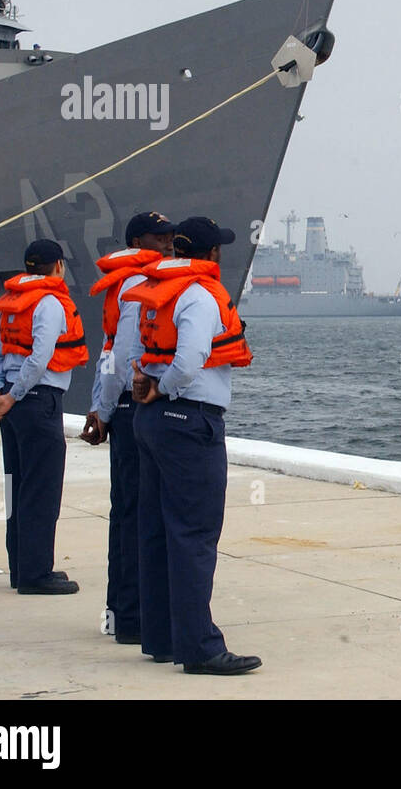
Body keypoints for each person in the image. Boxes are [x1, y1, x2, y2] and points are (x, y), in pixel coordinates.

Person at [123, 217, 260, 675]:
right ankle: (200, 647)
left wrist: (143, 387)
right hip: (189, 421)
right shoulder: (200, 295)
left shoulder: (153, 291)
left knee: (157, 530)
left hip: (149, 423)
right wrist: (164, 389)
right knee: (194, 534)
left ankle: (161, 638)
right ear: (213, 254)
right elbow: (191, 359)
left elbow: (129, 351)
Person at [82, 212, 175, 648]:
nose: (168, 245)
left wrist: (100, 407)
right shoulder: (138, 286)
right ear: (137, 240)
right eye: (159, 238)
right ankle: (132, 616)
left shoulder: (129, 282)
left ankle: (122, 612)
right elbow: (122, 357)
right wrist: (103, 410)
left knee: (126, 514)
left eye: (171, 238)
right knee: (137, 515)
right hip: (130, 407)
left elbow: (107, 354)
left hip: (119, 405)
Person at [0, 240, 88, 594]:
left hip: (13, 400)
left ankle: (21, 569)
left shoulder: (12, 304)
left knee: (17, 486)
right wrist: (12, 398)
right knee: (41, 489)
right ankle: (36, 574)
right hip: (37, 400)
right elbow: (40, 358)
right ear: (58, 265)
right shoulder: (49, 303)